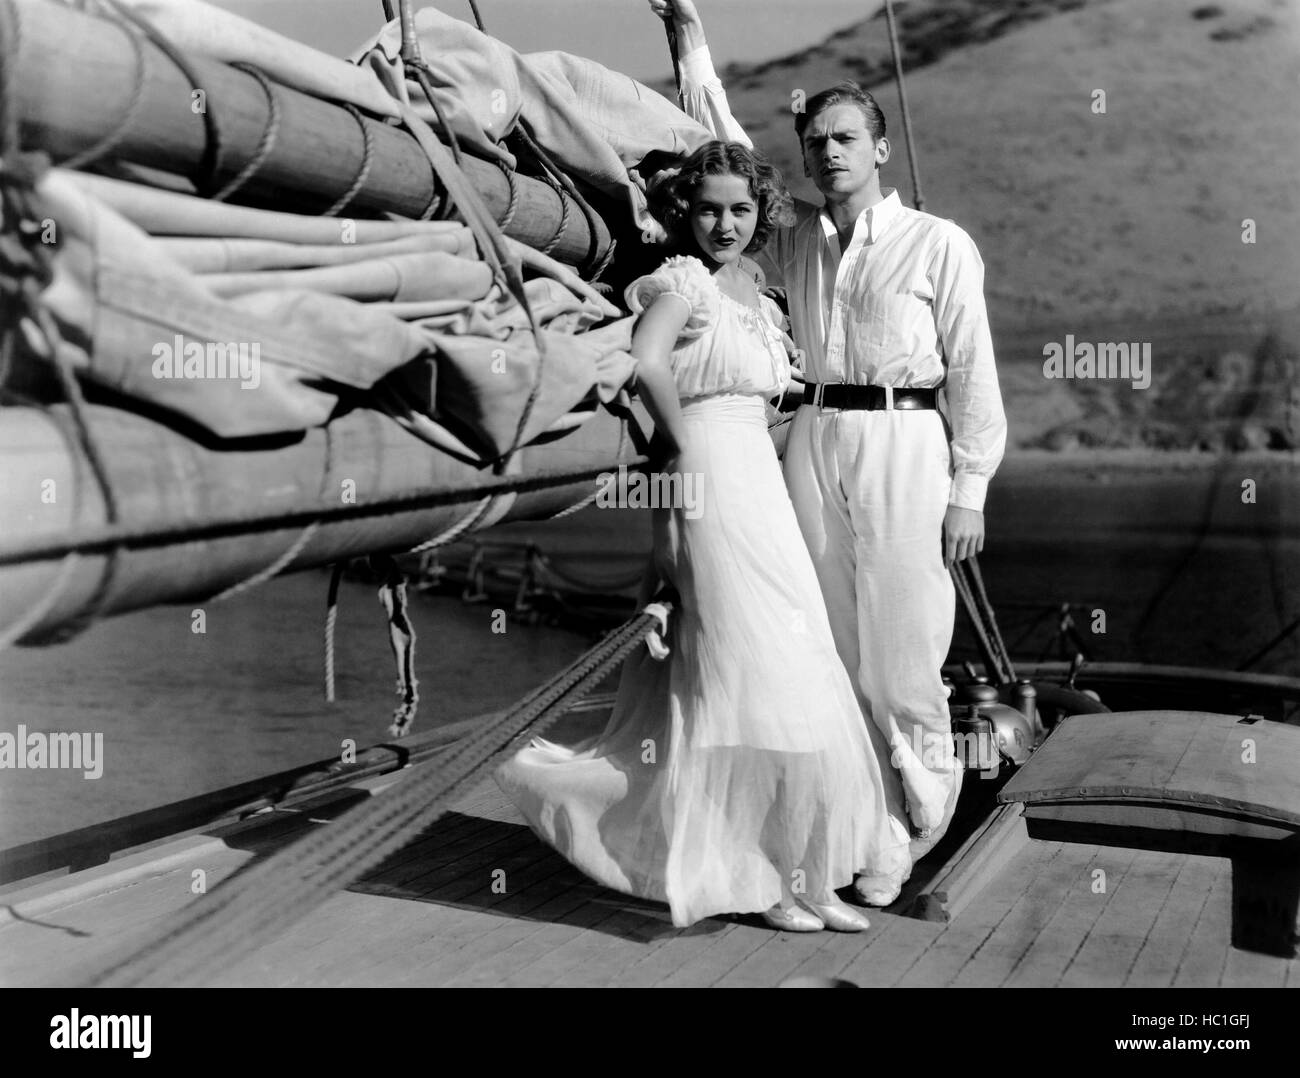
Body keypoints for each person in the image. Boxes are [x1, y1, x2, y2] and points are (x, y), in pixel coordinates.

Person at [496, 140, 911, 932]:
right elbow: (647, 361)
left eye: (741, 209)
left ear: (761, 214)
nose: (726, 224)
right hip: (708, 485)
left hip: (761, 487)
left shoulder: (755, 292)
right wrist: (682, 447)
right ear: (685, 211)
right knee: (751, 684)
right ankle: (767, 881)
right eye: (710, 209)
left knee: (805, 675)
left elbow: (774, 401)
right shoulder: (683, 281)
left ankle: (811, 875)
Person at [650, 0, 1008, 905]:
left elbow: (972, 370)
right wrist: (688, 37)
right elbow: (723, 147)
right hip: (814, 440)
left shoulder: (937, 245)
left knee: (904, 653)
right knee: (832, 648)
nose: (830, 153)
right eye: (816, 143)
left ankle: (917, 821)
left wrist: (970, 487)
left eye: (846, 138)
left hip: (904, 441)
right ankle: (863, 826)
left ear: (879, 149)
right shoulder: (797, 238)